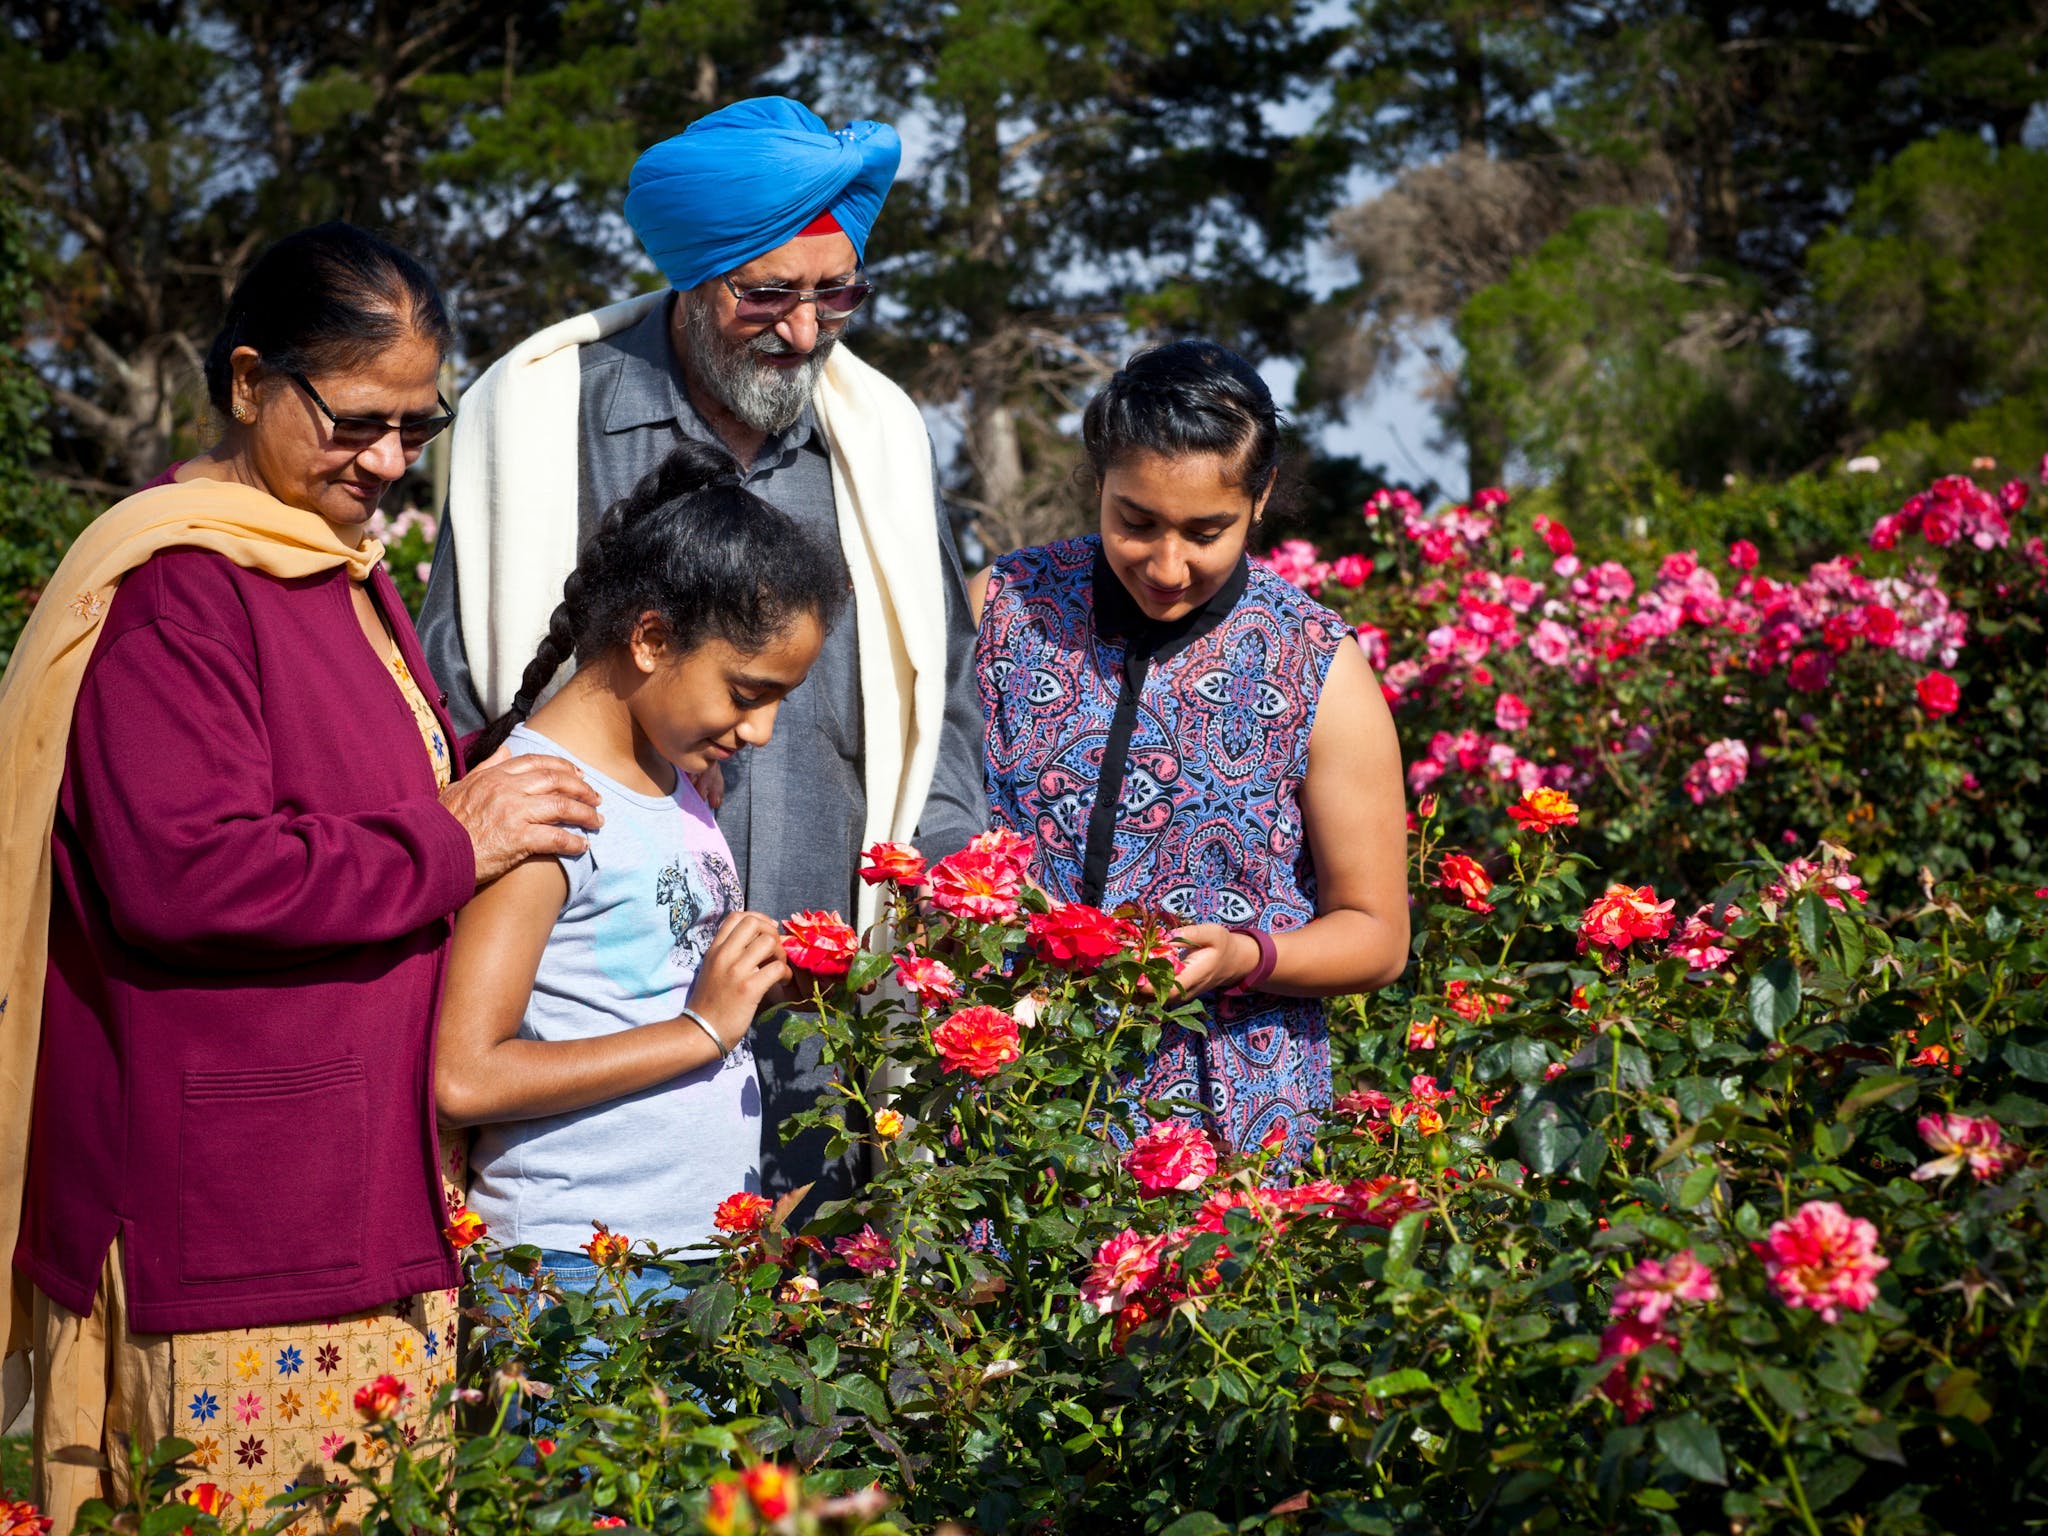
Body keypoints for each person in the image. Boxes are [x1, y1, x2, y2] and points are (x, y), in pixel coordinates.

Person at [0, 222, 603, 1532]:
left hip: (355, 1181)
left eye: (417, 430)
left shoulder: (330, 569)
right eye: (357, 423)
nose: (389, 463)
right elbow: (185, 873)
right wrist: (454, 841)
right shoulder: (182, 588)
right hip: (233, 1212)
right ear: (248, 381)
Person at [418, 96, 987, 1207]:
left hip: (831, 990)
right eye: (766, 295)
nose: (806, 332)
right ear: (693, 272)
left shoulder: (878, 435)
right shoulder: (540, 418)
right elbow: (458, 689)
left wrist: (943, 878)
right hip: (589, 1020)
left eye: (837, 294)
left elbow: (943, 708)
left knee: (823, 1321)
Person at [973, 339, 1410, 1161]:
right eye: (1134, 522)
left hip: (1222, 1121)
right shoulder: (1002, 608)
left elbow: (1377, 934)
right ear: (1097, 481)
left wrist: (1244, 957)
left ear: (1261, 496)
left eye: (1206, 531)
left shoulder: (1319, 666)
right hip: (1007, 1099)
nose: (1167, 566)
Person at [433, 441, 848, 1296]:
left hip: (691, 1254)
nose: (762, 731)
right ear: (653, 637)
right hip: (581, 1269)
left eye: (780, 700)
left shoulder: (672, 780)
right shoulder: (543, 806)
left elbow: (630, 983)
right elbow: (465, 1074)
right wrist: (701, 1029)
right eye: (746, 693)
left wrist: (769, 985)